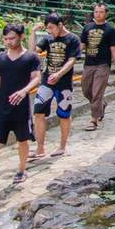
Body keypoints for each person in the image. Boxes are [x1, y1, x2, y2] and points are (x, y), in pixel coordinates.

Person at [0, 23, 41, 191]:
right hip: (1, 108)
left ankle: (22, 169)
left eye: (12, 38)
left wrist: (24, 91)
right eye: (5, 39)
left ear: (21, 37)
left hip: (21, 107)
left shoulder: (31, 57)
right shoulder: (0, 58)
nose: (9, 42)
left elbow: (36, 78)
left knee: (23, 140)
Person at [33, 13, 80, 158]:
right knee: (38, 112)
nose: (50, 31)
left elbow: (72, 60)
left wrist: (59, 74)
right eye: (48, 28)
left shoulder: (73, 39)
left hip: (64, 83)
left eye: (51, 28)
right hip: (47, 81)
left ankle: (62, 146)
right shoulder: (48, 39)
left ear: (60, 25)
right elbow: (33, 52)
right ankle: (40, 148)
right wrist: (33, 33)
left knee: (64, 114)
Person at [79, 3, 115, 132]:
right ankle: (101, 104)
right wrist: (72, 57)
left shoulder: (110, 30)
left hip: (103, 65)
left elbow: (114, 50)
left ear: (106, 13)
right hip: (89, 64)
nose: (98, 14)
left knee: (96, 92)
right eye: (96, 12)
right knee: (86, 90)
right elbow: (82, 45)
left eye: (101, 12)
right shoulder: (87, 27)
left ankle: (93, 120)